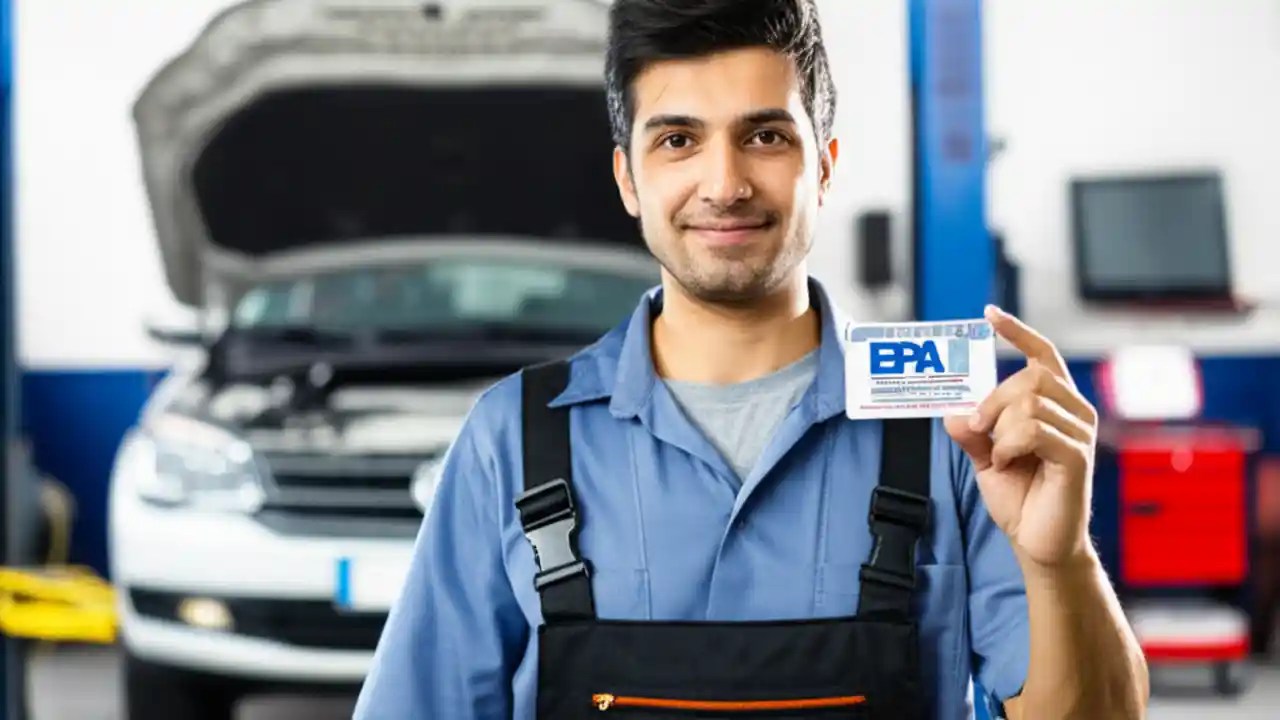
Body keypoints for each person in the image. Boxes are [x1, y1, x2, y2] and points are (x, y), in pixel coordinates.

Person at [354, 1, 1149, 718]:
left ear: (825, 165)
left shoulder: (951, 434)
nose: (725, 183)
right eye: (677, 140)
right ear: (628, 179)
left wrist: (1061, 559)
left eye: (765, 136)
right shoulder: (513, 442)